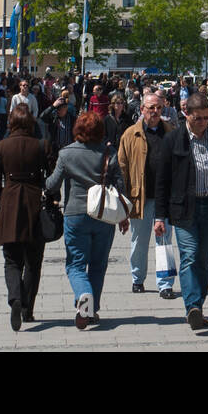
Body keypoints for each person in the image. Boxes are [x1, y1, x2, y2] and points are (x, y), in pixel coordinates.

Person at [154, 94, 208, 330]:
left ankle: (198, 306)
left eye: (206, 117)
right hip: (183, 209)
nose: (203, 122)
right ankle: (191, 305)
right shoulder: (173, 140)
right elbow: (161, 181)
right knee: (190, 256)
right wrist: (159, 216)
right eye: (198, 118)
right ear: (187, 115)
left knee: (203, 261)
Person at [46, 111, 130, 329]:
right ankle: (91, 311)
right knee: (98, 265)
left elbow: (53, 184)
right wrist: (123, 217)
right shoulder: (108, 152)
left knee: (75, 264)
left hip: (76, 214)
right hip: (104, 215)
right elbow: (120, 187)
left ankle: (83, 295)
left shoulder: (66, 153)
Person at [0, 107, 50, 329]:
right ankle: (27, 309)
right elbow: (50, 178)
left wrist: (4, 199)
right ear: (31, 122)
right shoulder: (41, 145)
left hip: (11, 205)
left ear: (11, 122)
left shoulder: (1, 146)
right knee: (33, 262)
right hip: (34, 205)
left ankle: (15, 297)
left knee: (12, 260)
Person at [119, 92, 177, 297]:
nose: (155, 112)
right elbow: (122, 167)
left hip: (164, 198)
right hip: (139, 197)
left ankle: (165, 283)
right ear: (142, 109)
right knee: (139, 241)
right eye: (151, 108)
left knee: (164, 241)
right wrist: (123, 201)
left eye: (159, 108)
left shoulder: (171, 132)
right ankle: (137, 279)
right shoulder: (130, 134)